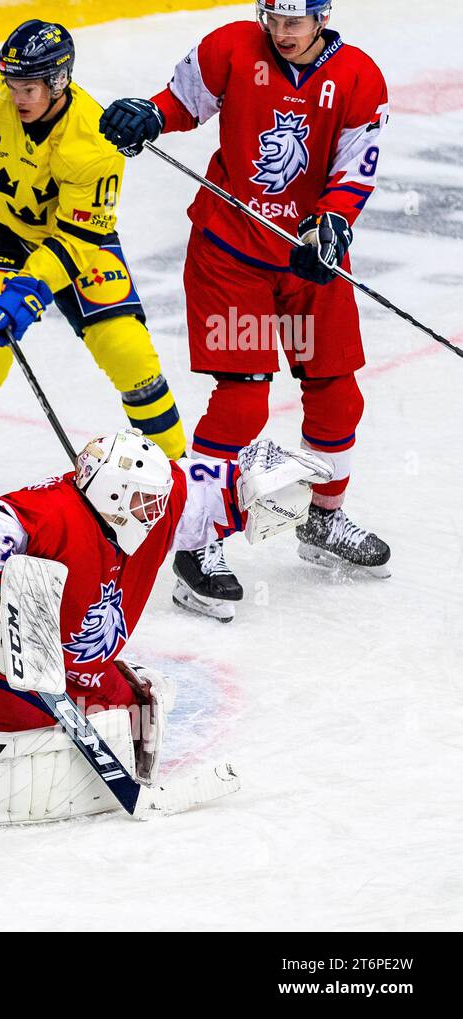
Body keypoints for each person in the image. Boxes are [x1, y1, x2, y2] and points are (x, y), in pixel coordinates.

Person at [0, 428, 329, 831]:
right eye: (143, 504)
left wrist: (252, 484)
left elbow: (203, 490)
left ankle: (63, 759)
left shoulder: (154, 504)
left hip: (55, 660)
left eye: (156, 503)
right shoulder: (58, 513)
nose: (153, 516)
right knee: (44, 749)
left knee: (133, 708)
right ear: (111, 494)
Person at [99, 0, 391, 621]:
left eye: (295, 21)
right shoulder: (232, 46)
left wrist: (332, 223)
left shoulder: (360, 77)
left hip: (310, 255)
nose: (282, 34)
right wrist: (148, 114)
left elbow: (353, 168)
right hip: (231, 252)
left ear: (322, 16)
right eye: (273, 19)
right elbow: (180, 104)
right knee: (243, 400)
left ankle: (324, 521)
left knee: (337, 392)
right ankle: (196, 544)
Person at [0, 19, 187, 552]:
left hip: (71, 239)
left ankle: (182, 486)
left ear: (59, 82)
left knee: (129, 353)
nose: (16, 96)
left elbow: (77, 240)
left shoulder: (94, 141)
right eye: (11, 84)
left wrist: (30, 290)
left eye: (28, 88)